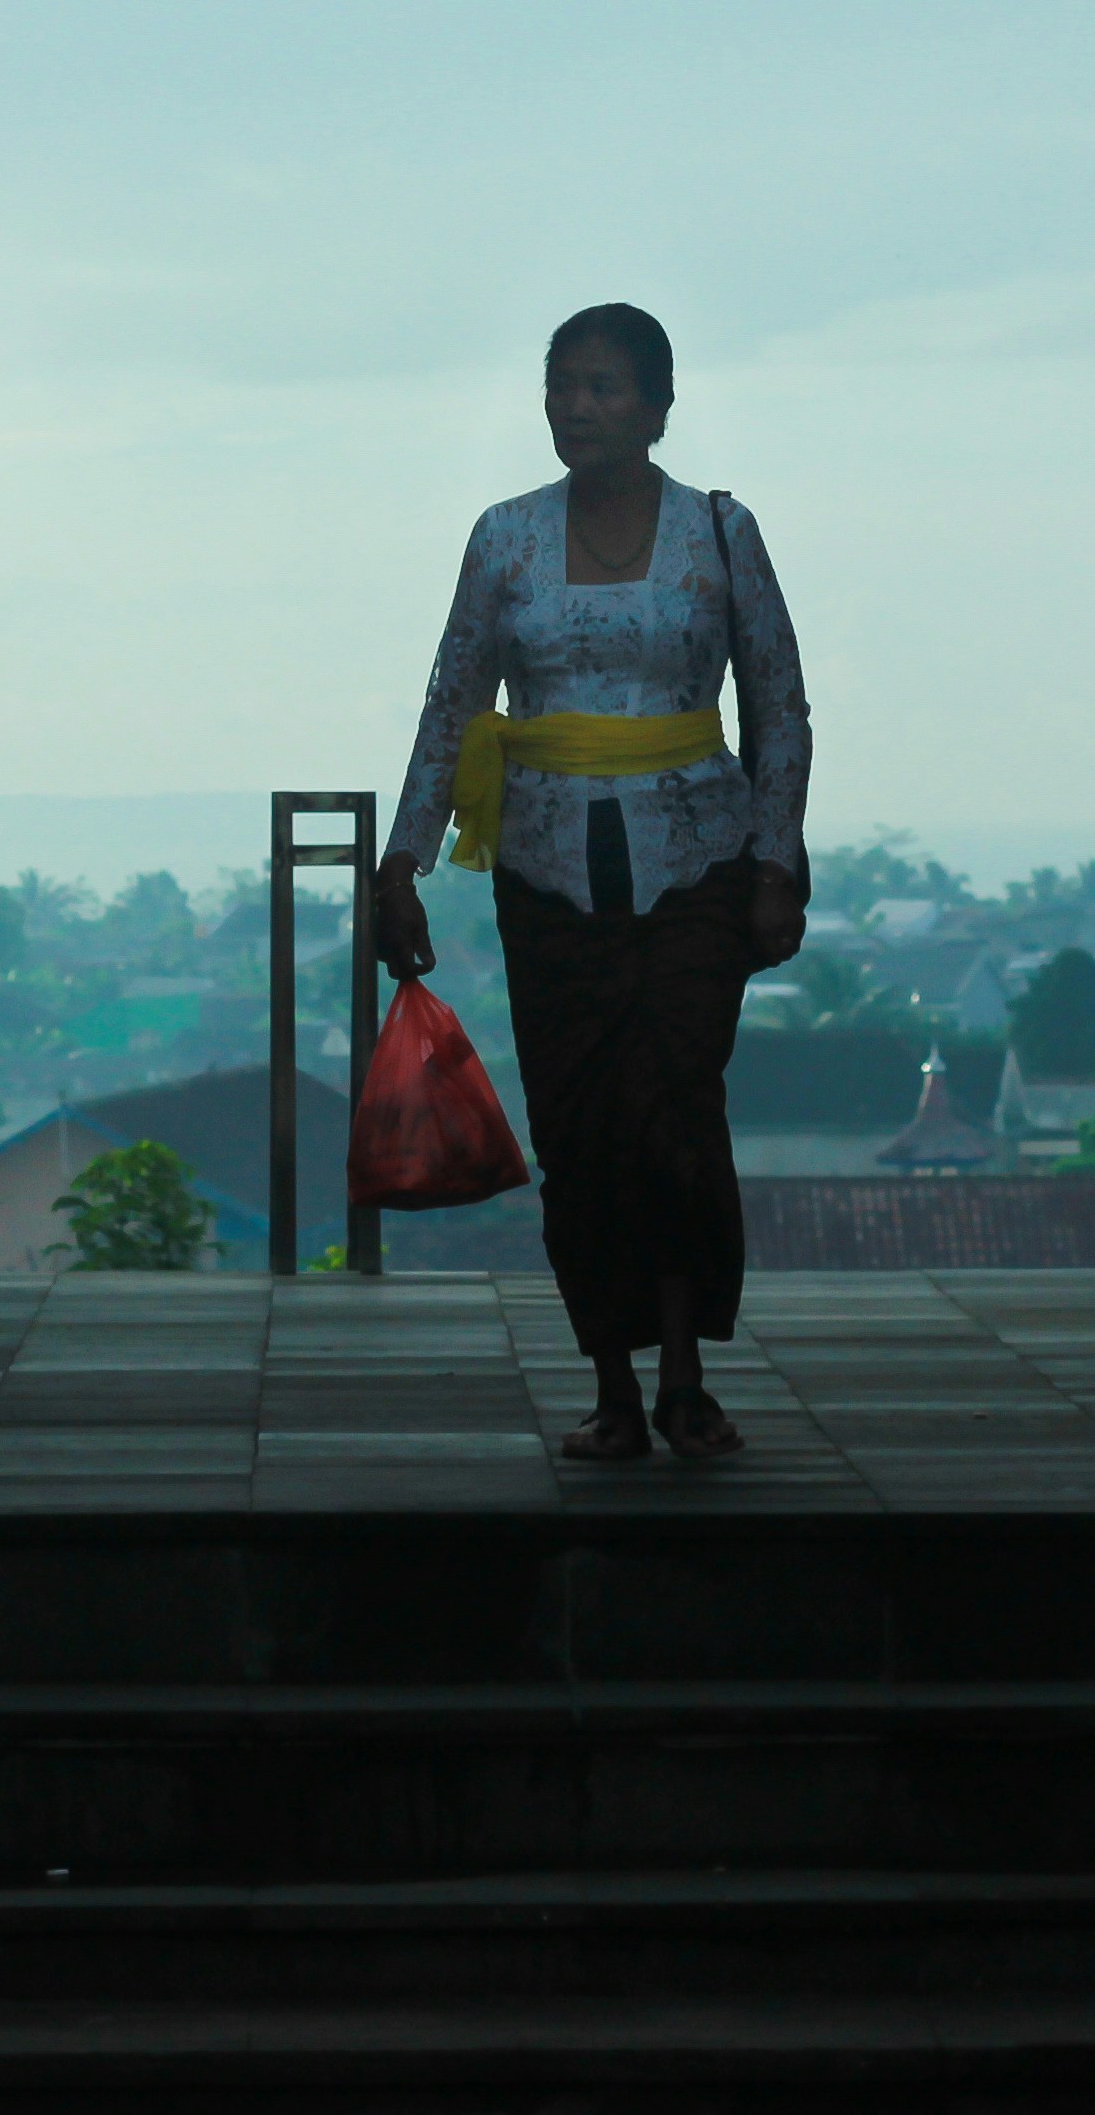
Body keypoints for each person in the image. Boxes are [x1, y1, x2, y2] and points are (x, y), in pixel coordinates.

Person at [367, 304, 811, 1461]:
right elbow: (453, 702)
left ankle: (685, 1375)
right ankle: (613, 1385)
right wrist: (403, 859)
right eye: (563, 385)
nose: (580, 406)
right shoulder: (505, 539)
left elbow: (777, 702)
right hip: (546, 866)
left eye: (607, 387)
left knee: (675, 1110)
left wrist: (776, 860)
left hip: (697, 862)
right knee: (581, 1126)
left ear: (660, 406)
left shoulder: (719, 533)